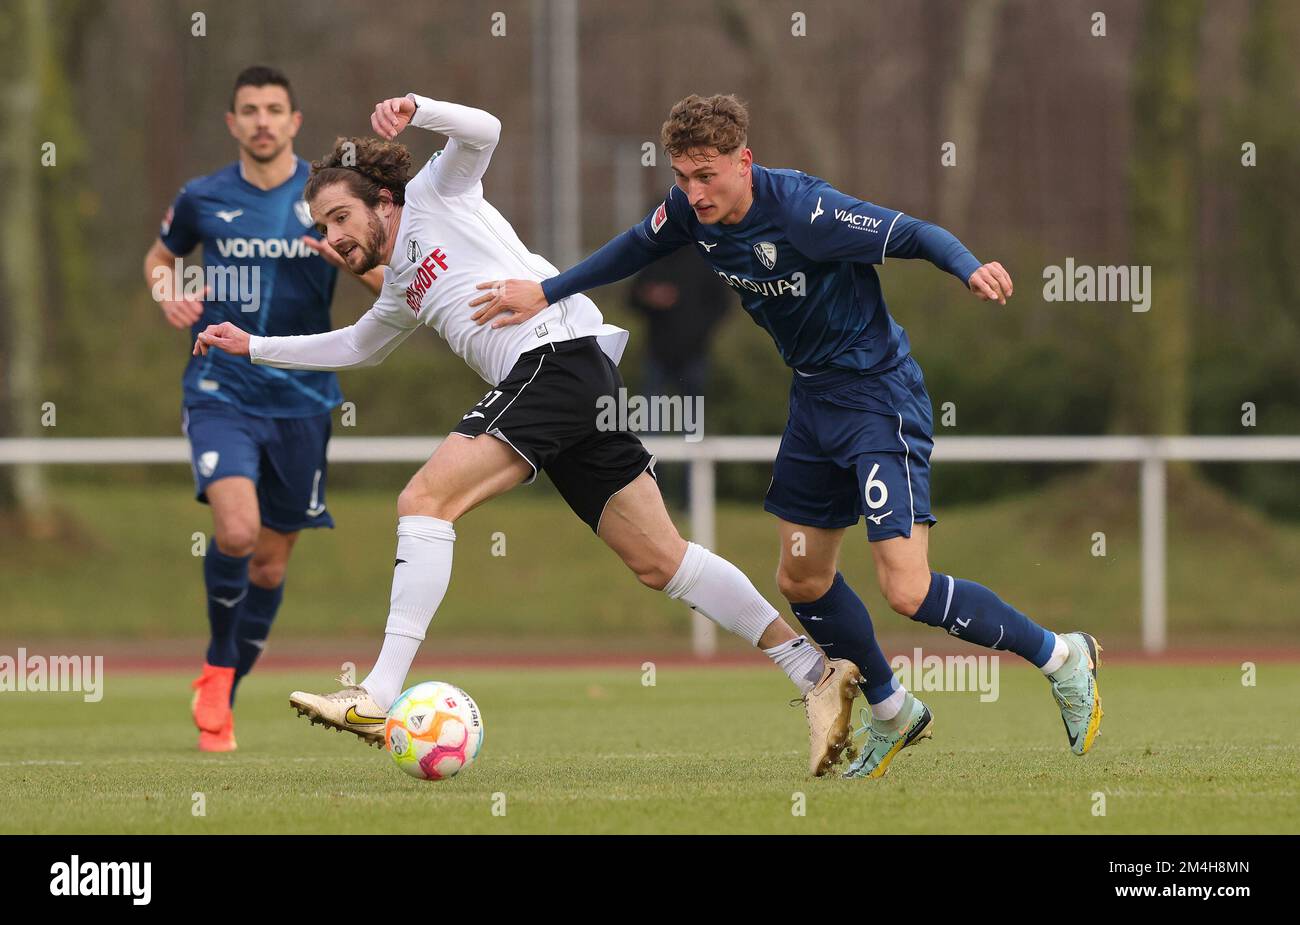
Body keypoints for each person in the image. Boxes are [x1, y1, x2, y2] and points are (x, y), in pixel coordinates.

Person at [193, 92, 864, 777]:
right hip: (576, 379)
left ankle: (377, 692)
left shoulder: (434, 192)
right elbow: (360, 345)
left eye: (340, 216)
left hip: (555, 361)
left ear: (383, 200)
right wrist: (252, 345)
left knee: (424, 501)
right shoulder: (399, 281)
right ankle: (816, 670)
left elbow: (486, 128)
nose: (333, 235)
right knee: (661, 560)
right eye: (323, 225)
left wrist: (418, 108)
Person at [469, 93, 1104, 779]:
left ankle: (1063, 657)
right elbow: (633, 247)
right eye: (682, 176)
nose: (693, 191)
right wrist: (549, 289)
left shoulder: (807, 212)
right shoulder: (688, 211)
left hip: (876, 400)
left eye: (707, 174)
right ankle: (894, 711)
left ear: (745, 160)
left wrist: (970, 267)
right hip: (813, 404)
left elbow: (914, 232)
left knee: (907, 589)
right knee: (801, 576)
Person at [143, 66, 383, 752]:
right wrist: (170, 292)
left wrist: (346, 261)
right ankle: (218, 669)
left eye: (274, 109)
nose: (261, 120)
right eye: (249, 109)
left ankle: (225, 683)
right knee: (238, 531)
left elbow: (384, 281)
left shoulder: (326, 200)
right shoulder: (202, 196)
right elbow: (161, 258)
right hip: (220, 383)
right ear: (232, 123)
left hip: (303, 397)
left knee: (270, 566)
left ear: (295, 121)